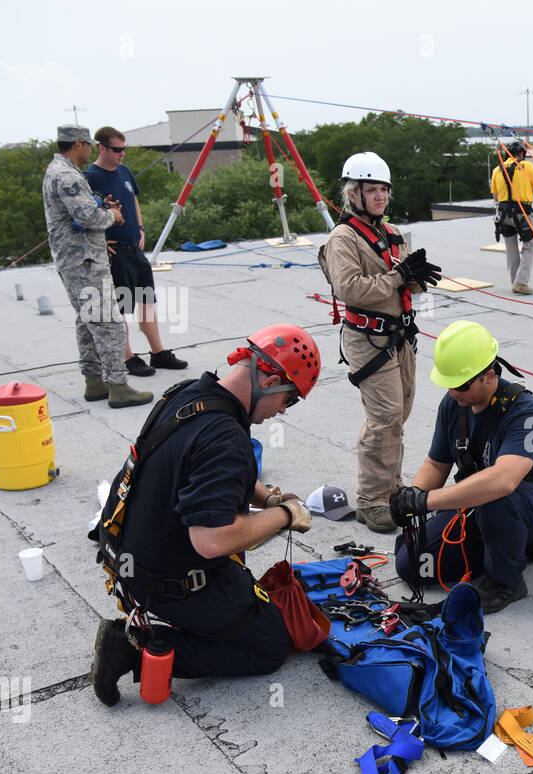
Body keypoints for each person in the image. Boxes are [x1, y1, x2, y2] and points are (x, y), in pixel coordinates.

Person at [90, 324, 321, 706]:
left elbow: (209, 477)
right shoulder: (227, 438)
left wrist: (267, 499)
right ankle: (133, 647)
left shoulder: (189, 395)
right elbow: (211, 540)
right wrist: (284, 516)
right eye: (289, 398)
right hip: (166, 585)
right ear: (268, 377)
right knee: (270, 644)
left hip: (126, 563)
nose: (283, 409)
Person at [389, 320, 533, 614]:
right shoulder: (453, 406)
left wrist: (428, 501)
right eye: (447, 383)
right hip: (484, 508)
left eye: (460, 385)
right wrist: (413, 496)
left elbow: (504, 481)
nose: (452, 393)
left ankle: (506, 581)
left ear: (488, 374)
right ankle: (503, 548)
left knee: (495, 495)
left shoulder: (526, 413)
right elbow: (437, 463)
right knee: (412, 565)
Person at [318, 151, 440, 533]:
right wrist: (398, 276)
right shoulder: (344, 238)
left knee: (398, 416)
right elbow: (348, 287)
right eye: (371, 190)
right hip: (368, 340)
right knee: (384, 418)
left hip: (400, 336)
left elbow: (406, 280)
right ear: (353, 194)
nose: (380, 197)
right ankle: (372, 500)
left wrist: (415, 277)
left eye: (384, 190)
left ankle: (391, 487)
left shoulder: (393, 234)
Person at [41, 124, 152, 408]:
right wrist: (112, 215)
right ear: (78, 144)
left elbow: (80, 213)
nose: (89, 149)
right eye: (87, 145)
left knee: (87, 322)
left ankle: (94, 382)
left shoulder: (60, 170)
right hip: (84, 260)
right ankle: (118, 386)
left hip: (77, 258)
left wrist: (100, 207)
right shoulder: (67, 175)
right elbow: (88, 218)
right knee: (108, 323)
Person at [83, 125, 189, 379]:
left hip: (134, 246)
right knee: (122, 307)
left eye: (123, 149)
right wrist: (99, 241)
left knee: (147, 301)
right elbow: (84, 215)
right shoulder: (90, 177)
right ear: (102, 148)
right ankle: (127, 356)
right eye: (117, 149)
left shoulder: (124, 171)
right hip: (114, 252)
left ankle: (158, 352)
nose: (122, 154)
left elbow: (133, 201)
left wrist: (140, 227)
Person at [490, 140, 533, 295]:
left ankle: (515, 281)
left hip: (503, 213)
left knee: (511, 247)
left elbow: (495, 196)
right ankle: (520, 283)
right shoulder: (528, 167)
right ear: (521, 154)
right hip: (522, 212)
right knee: (531, 245)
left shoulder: (497, 170)